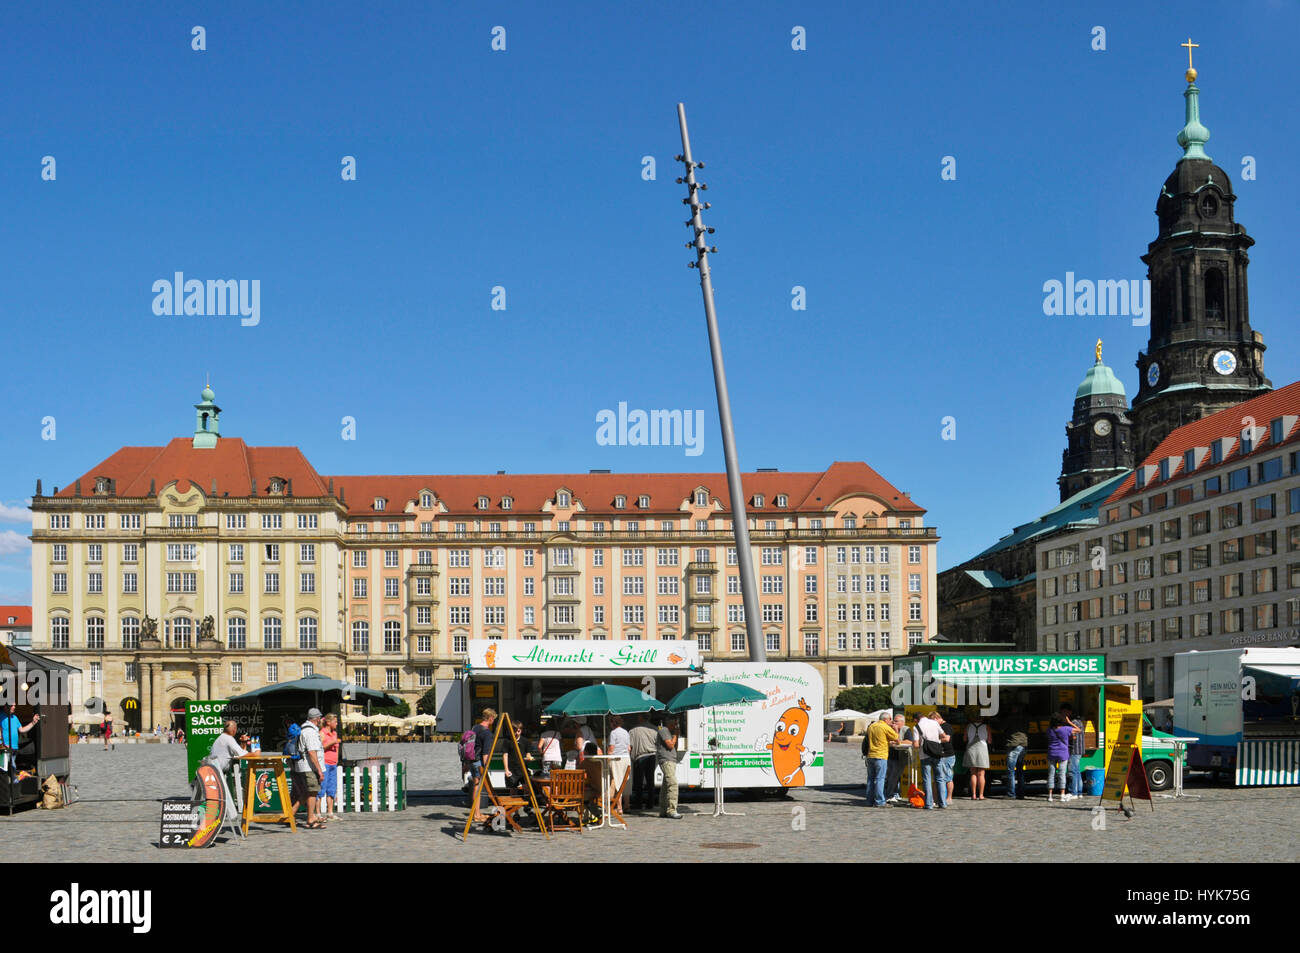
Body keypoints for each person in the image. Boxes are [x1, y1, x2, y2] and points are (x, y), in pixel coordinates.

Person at [292, 708, 326, 829]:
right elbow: (312, 752)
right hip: (309, 767)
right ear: (317, 719)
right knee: (312, 792)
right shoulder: (310, 732)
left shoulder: (305, 729)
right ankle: (310, 819)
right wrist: (319, 770)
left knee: (306, 792)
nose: (321, 720)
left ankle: (290, 815)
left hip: (304, 766)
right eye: (320, 718)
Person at [914, 710, 949, 809]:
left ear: (916, 720)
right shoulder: (934, 722)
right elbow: (943, 736)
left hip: (924, 755)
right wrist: (935, 740)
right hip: (937, 754)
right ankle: (942, 803)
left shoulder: (916, 727)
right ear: (923, 716)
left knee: (927, 779)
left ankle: (929, 804)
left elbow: (916, 745)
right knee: (940, 778)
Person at [863, 713, 898, 807]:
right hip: (881, 755)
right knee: (880, 779)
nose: (891, 721)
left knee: (870, 779)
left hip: (870, 755)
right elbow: (896, 738)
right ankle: (880, 801)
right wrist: (895, 728)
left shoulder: (871, 726)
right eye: (890, 719)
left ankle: (869, 801)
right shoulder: (885, 727)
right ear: (886, 719)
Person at [1046, 713, 1081, 802]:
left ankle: (1050, 796)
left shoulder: (1049, 730)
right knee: (1062, 774)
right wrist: (1069, 722)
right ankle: (1062, 795)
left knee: (1051, 774)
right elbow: (1079, 730)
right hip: (1063, 753)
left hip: (1051, 753)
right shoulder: (1066, 729)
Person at [470, 708, 497, 824]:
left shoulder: (475, 728)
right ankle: (476, 815)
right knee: (478, 788)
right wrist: (486, 768)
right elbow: (486, 753)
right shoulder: (487, 733)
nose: (493, 721)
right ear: (490, 718)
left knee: (477, 787)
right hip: (479, 762)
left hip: (471, 760)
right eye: (493, 719)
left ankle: (477, 813)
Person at [0, 702, 39, 772]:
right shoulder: (1, 716)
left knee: (11, 769)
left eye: (15, 705)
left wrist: (33, 722)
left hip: (14, 748)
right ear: (6, 706)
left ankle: (12, 781)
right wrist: (2, 745)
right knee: (4, 770)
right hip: (4, 749)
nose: (14, 707)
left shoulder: (14, 717)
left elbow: (22, 730)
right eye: (12, 705)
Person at [629, 714, 658, 810]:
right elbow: (657, 743)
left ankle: (638, 803)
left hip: (640, 757)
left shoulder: (633, 730)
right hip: (652, 756)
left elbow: (630, 746)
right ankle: (651, 803)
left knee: (638, 782)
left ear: (640, 717)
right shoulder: (655, 729)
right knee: (650, 781)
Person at [885, 713, 915, 803]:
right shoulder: (890, 729)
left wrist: (898, 742)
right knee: (890, 776)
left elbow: (909, 741)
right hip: (890, 756)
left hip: (900, 757)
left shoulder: (906, 729)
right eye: (894, 720)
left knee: (894, 776)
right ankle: (894, 793)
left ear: (902, 722)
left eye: (896, 721)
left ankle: (889, 795)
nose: (894, 722)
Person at [656, 716, 682, 819]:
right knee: (673, 783)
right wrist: (675, 735)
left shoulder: (669, 732)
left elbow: (675, 747)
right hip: (666, 760)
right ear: (669, 723)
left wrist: (676, 735)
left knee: (666, 786)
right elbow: (670, 745)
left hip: (671, 760)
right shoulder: (664, 730)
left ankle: (663, 810)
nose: (675, 726)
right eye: (674, 724)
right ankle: (672, 810)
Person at [606, 714, 632, 813]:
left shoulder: (613, 733)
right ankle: (627, 805)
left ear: (613, 722)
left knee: (617, 782)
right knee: (626, 782)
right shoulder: (626, 732)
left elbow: (611, 749)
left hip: (617, 759)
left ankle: (619, 807)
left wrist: (607, 760)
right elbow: (629, 748)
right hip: (626, 759)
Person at [1061, 704, 1085, 800]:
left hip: (1075, 749)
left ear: (1069, 712)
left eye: (1064, 712)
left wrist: (1067, 723)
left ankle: (1073, 792)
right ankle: (1079, 792)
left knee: (1073, 771)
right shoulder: (1079, 722)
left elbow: (1073, 736)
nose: (1063, 714)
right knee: (1077, 771)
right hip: (1078, 750)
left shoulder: (1074, 723)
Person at [1003, 712, 1029, 800]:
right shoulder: (1025, 719)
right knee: (1020, 771)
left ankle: (1011, 793)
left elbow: (1001, 727)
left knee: (1011, 771)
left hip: (1014, 745)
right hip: (1023, 745)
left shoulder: (1010, 719)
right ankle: (1021, 793)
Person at [319, 713, 340, 818]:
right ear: (328, 722)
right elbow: (320, 747)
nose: (337, 723)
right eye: (335, 722)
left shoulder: (334, 733)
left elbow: (336, 748)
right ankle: (318, 813)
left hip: (333, 764)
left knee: (331, 788)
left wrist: (337, 760)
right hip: (325, 763)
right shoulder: (322, 733)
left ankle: (330, 812)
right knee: (321, 788)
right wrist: (332, 742)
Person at [965, 714, 990, 800]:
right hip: (982, 749)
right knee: (981, 774)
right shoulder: (986, 727)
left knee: (973, 773)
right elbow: (989, 740)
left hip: (971, 749)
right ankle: (981, 795)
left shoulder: (968, 726)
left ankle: (974, 795)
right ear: (982, 719)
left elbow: (964, 739)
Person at [934, 711, 957, 803]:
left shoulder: (946, 726)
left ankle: (949, 798)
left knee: (948, 777)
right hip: (940, 754)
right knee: (939, 778)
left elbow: (947, 739)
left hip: (947, 755)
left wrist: (935, 741)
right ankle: (936, 799)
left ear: (937, 718)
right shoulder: (939, 726)